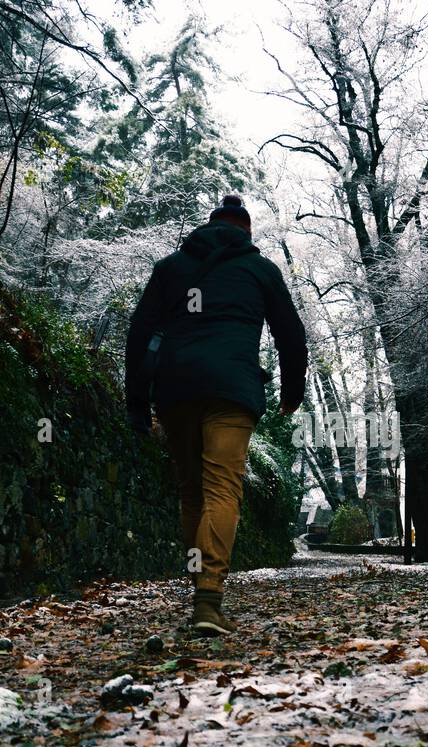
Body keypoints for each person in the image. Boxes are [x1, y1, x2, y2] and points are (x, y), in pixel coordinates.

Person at [125, 194, 307, 634]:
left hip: (177, 391)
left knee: (191, 495)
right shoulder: (260, 270)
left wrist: (136, 401)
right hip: (232, 390)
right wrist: (291, 391)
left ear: (207, 227)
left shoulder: (171, 267)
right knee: (222, 490)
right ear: (245, 231)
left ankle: (200, 591)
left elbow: (140, 331)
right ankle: (209, 599)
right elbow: (291, 334)